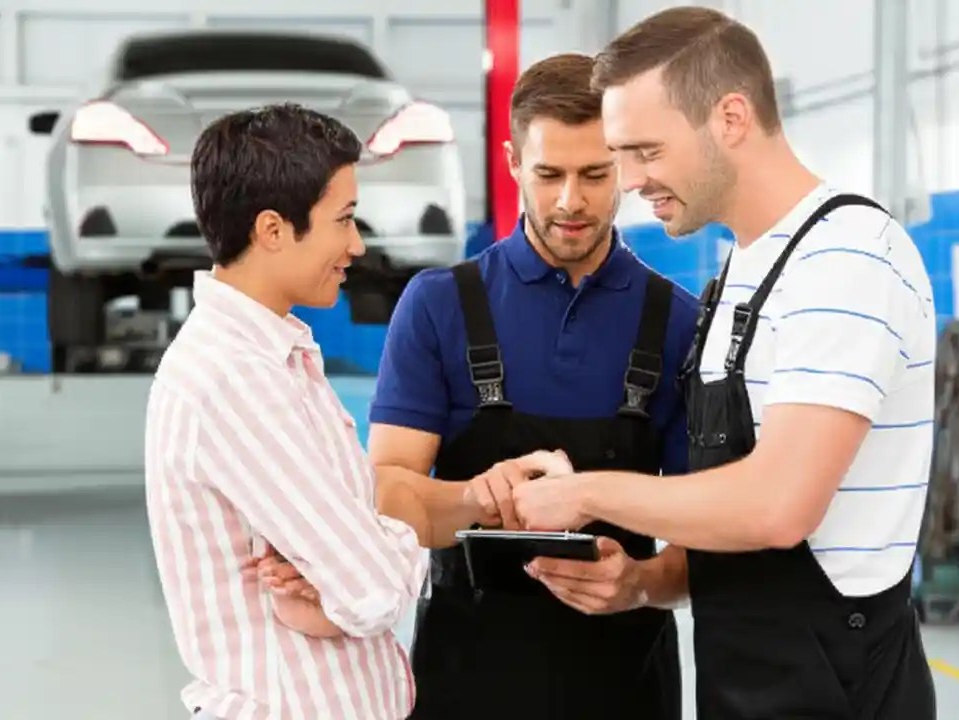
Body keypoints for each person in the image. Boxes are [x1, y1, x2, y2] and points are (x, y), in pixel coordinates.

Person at [511, 7, 938, 719]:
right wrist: (645, 582)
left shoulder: (847, 258)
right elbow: (731, 522)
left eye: (646, 150)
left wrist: (585, 493)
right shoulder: (744, 270)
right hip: (745, 683)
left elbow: (776, 509)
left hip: (838, 692)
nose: (632, 180)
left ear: (731, 118)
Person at [367, 53, 699, 720]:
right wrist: (472, 496)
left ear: (626, 168)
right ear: (513, 160)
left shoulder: (680, 323)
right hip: (466, 681)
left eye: (595, 174)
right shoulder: (438, 306)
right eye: (549, 174)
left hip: (626, 687)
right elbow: (388, 494)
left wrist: (641, 583)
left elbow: (707, 527)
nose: (570, 201)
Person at [142, 103, 429, 720]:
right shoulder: (231, 379)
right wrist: (395, 553)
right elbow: (373, 588)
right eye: (344, 220)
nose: (356, 244)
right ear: (273, 230)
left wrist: (362, 553)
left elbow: (359, 565)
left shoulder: (277, 354)